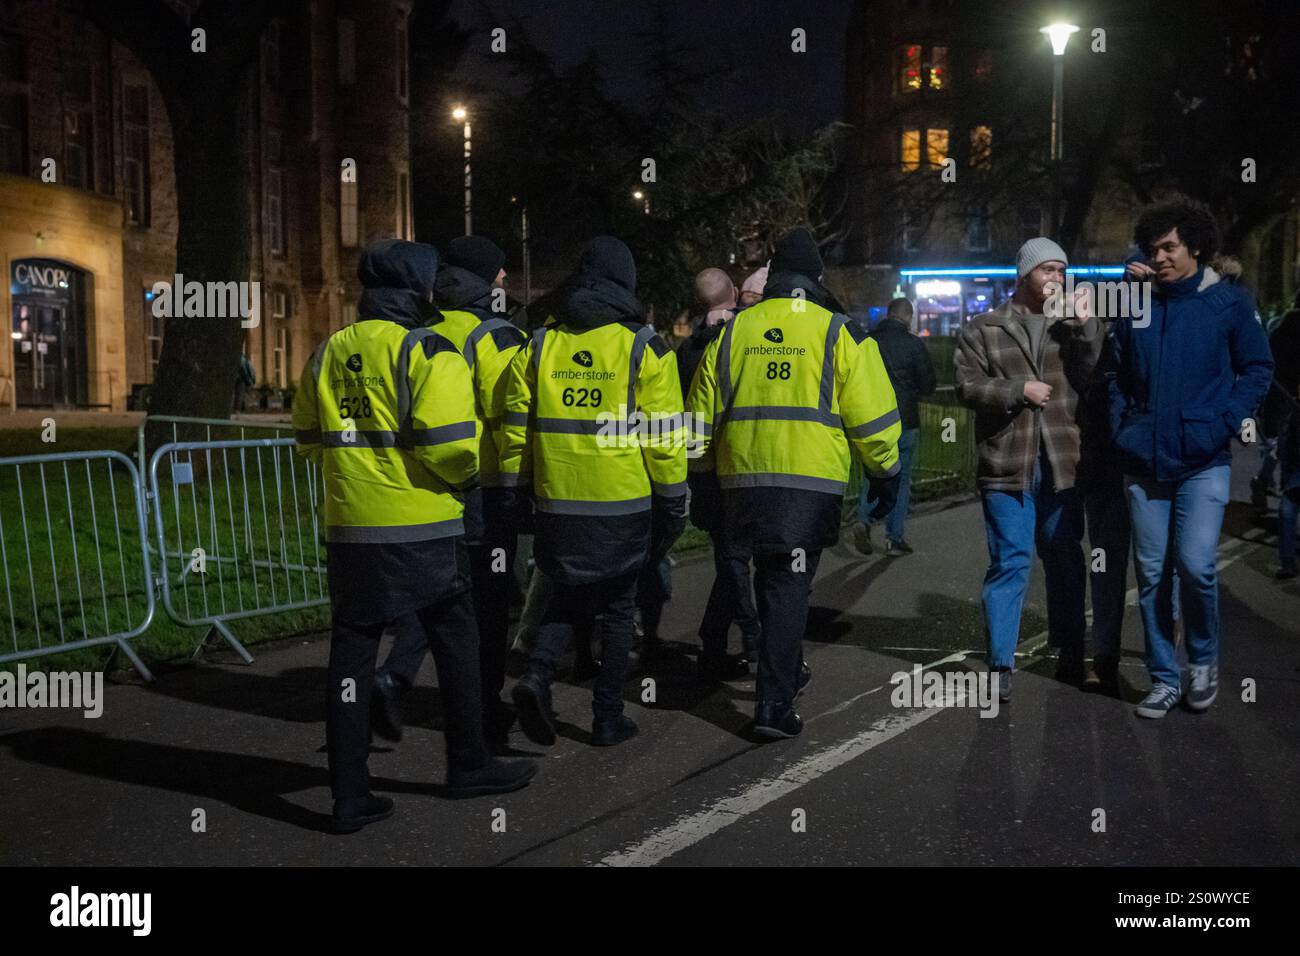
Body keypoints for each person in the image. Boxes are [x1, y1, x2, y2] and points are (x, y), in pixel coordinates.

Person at [292, 239, 535, 833]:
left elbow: (306, 438)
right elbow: (451, 445)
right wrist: (472, 477)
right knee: (458, 639)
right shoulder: (426, 350)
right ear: (421, 290)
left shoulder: (329, 350)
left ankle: (349, 795)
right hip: (421, 525)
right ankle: (469, 763)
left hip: (350, 526)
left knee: (350, 654)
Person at [688, 227, 901, 739]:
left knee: (767, 581)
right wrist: (886, 472)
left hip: (742, 481)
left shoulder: (734, 332)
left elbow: (697, 423)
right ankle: (772, 704)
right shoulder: (839, 332)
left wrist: (699, 481)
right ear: (817, 277)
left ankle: (778, 674)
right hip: (809, 487)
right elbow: (873, 420)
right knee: (788, 588)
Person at [503, 237, 687, 747]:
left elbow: (517, 431)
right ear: (625, 284)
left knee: (567, 590)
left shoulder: (539, 344)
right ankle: (606, 717)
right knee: (619, 606)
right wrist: (673, 498)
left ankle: (537, 675)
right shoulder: (642, 346)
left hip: (558, 502)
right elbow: (665, 439)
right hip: (623, 503)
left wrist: (516, 492)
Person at [1108, 198, 1273, 718]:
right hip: (1144, 460)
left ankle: (1202, 662)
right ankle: (1163, 677)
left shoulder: (1228, 303)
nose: (1159, 257)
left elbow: (1257, 368)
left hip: (1204, 459)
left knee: (1196, 564)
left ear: (1195, 246)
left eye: (1169, 247)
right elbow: (1113, 371)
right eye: (1152, 248)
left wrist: (1226, 420)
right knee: (1152, 574)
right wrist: (1121, 426)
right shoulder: (1136, 303)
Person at [369, 235, 528, 753]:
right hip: (482, 485)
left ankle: (394, 677)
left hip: (425, 486)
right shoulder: (498, 335)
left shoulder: (423, 327)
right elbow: (510, 419)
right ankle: (482, 706)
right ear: (488, 280)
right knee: (484, 602)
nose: (506, 282)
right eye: (501, 274)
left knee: (440, 590)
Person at [955, 238, 1103, 703]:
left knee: (1064, 558)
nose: (1056, 278)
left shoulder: (1072, 323)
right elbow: (966, 386)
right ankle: (1001, 662)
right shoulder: (985, 326)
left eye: (1062, 269)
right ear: (1025, 274)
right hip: (1007, 463)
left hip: (1063, 461)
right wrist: (1018, 389)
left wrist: (1085, 327)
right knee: (1010, 562)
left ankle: (1071, 651)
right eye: (1047, 270)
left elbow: (1096, 373)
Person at [678, 268, 760, 679]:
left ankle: (716, 641)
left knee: (730, 559)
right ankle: (749, 636)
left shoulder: (687, 349)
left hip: (704, 470)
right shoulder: (742, 340)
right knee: (738, 560)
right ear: (733, 292)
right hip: (740, 464)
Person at [853, 297, 935, 556]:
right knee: (901, 480)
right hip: (905, 420)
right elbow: (928, 385)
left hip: (873, 421)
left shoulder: (867, 341)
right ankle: (893, 538)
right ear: (908, 317)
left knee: (873, 473)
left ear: (888, 314)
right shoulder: (914, 345)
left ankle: (864, 520)